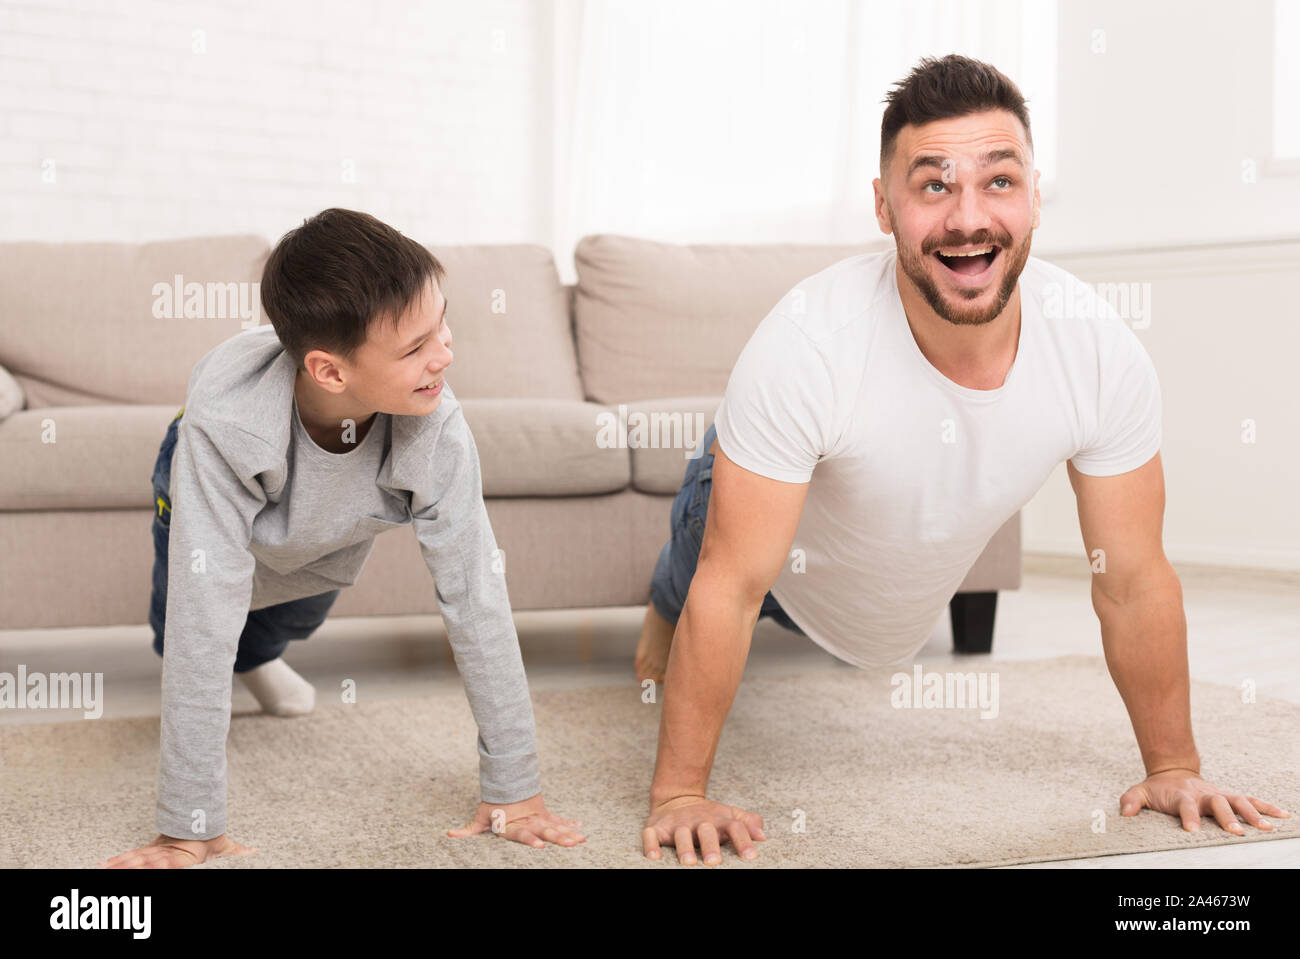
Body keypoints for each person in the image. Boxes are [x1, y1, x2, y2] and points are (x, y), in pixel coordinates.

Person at [635, 54, 1289, 865]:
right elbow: (731, 584)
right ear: (884, 206)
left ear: (1037, 197)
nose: (968, 218)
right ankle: (659, 604)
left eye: (999, 182)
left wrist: (1174, 767)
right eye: (934, 185)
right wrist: (680, 792)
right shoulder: (806, 343)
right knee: (701, 551)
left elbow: (1133, 579)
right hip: (778, 553)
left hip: (871, 576)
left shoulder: (1099, 349)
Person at [102, 209, 584, 868]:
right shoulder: (230, 426)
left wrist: (516, 792)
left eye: (441, 324)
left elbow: (477, 599)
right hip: (205, 464)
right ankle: (237, 656)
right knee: (189, 619)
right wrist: (189, 824)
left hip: (331, 519)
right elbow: (201, 618)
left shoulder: (435, 428)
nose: (444, 353)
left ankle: (258, 656)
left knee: (300, 599)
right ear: (330, 372)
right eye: (415, 347)